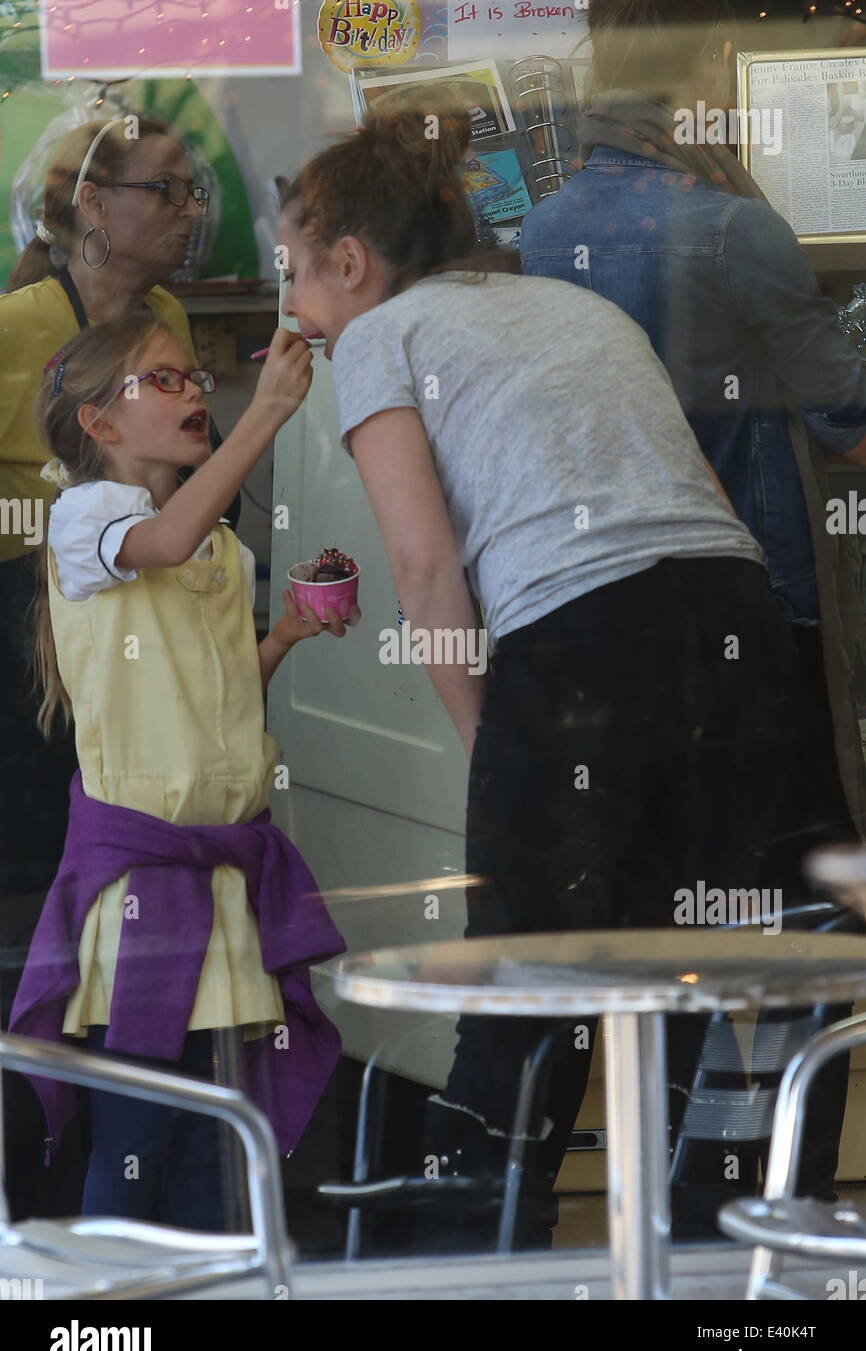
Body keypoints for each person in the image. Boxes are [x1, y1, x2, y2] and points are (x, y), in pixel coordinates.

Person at [274, 92, 799, 1249]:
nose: (293, 310)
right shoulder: (570, 306)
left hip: (579, 642)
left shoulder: (379, 338)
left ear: (350, 263)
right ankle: (719, 1264)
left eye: (296, 277)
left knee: (529, 972)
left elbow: (421, 567)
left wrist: (488, 744)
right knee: (709, 963)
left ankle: (478, 1257)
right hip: (733, 616)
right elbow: (702, 500)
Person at [519, 0, 866, 1207]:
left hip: (603, 615)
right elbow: (844, 415)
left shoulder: (539, 231)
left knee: (663, 911)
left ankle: (656, 1205)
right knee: (793, 928)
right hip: (760, 605)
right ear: (706, 91)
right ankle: (764, 1202)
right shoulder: (734, 231)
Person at [9, 313, 359, 1228]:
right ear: (99, 423)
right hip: (146, 891)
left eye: (196, 375)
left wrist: (279, 636)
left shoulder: (215, 543)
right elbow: (157, 541)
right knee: (137, 1145)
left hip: (222, 881)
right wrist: (269, 413)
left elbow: (218, 687)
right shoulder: (87, 516)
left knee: (218, 1146)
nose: (195, 390)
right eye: (162, 379)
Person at [0, 113, 234, 1219]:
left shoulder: (165, 319)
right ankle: (47, 1192)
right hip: (32, 626)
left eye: (191, 192)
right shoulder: (15, 326)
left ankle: (127, 1191)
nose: (190, 213)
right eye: (169, 191)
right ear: (92, 204)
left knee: (129, 913)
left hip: (135, 641)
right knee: (46, 896)